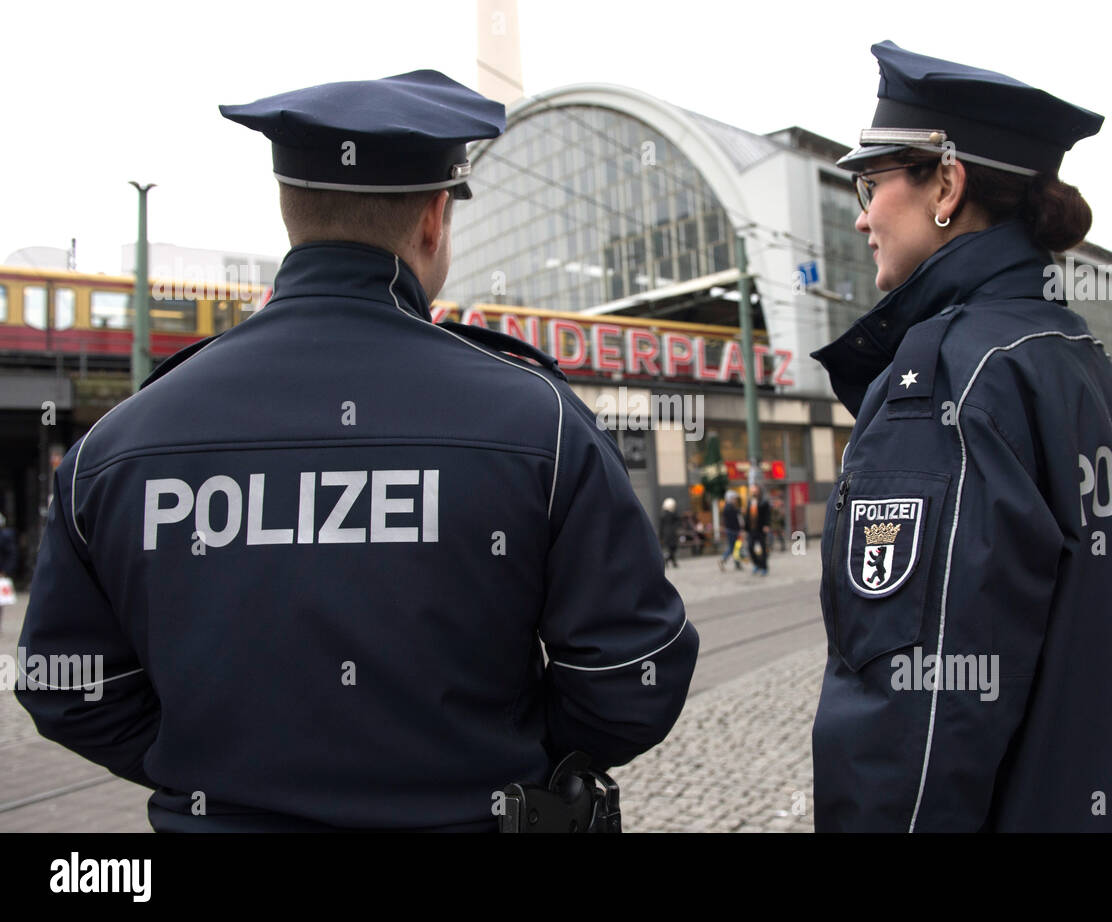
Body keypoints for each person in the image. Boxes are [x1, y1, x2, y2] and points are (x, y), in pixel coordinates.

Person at [15, 70, 698, 832]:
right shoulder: (542, 423)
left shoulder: (117, 444)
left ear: (288, 210)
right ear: (434, 219)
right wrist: (505, 755)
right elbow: (632, 676)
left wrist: (207, 767)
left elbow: (64, 684)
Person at [809, 42, 1112, 831]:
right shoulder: (1092, 371)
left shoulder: (952, 381)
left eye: (872, 183)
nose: (861, 215)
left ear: (946, 185)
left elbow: (912, 727)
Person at [747, 486, 771, 576]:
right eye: (752, 491)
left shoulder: (764, 502)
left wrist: (767, 525)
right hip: (752, 529)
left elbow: (767, 514)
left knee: (763, 548)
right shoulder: (750, 501)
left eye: (755, 491)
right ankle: (757, 564)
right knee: (750, 547)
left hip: (761, 529)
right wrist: (745, 528)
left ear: (759, 491)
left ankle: (764, 567)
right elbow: (747, 515)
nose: (754, 492)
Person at [719, 490, 745, 572]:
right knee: (734, 547)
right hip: (734, 531)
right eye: (734, 498)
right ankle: (723, 560)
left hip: (732, 530)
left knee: (736, 547)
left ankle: (737, 564)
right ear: (730, 498)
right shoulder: (730, 508)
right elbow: (735, 521)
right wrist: (740, 530)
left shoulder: (728, 507)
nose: (736, 500)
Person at [659, 497, 680, 569]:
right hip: (671, 534)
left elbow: (661, 526)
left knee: (671, 548)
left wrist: (661, 536)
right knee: (672, 548)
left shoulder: (663, 515)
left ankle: (670, 561)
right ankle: (670, 561)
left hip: (667, 534)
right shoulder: (671, 514)